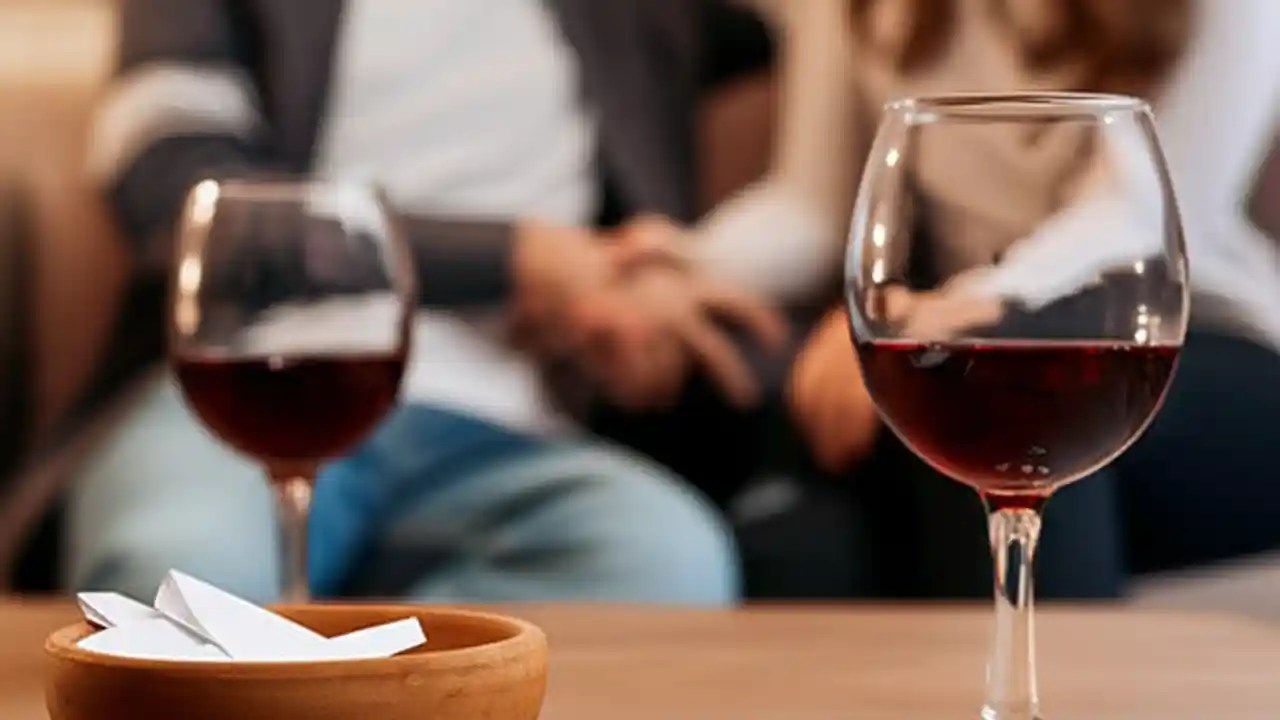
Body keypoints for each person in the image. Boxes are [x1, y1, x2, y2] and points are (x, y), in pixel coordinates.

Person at [65, 0, 785, 604]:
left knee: (663, 561)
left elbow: (817, 63)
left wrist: (651, 284)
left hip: (510, 436)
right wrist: (515, 260)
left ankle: (339, 677)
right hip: (248, 404)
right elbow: (171, 187)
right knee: (180, 581)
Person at [700, 0, 1280, 595]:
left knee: (1021, 419)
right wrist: (684, 268)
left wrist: (949, 314)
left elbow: (1135, 213)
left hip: (1188, 339)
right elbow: (810, 210)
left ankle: (1045, 657)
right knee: (801, 550)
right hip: (967, 345)